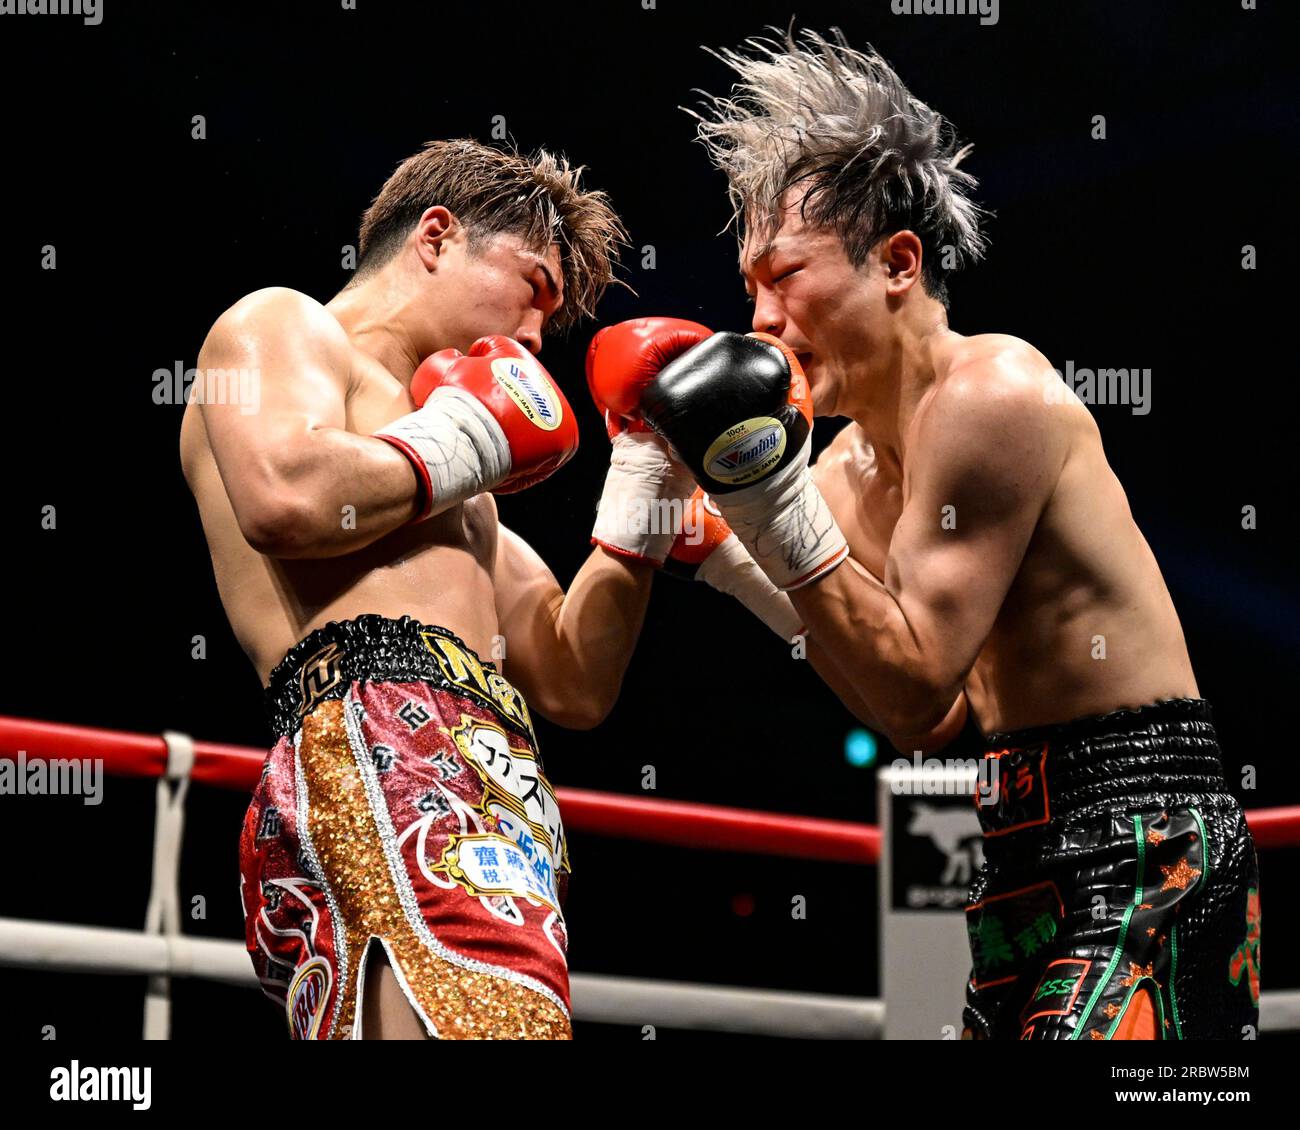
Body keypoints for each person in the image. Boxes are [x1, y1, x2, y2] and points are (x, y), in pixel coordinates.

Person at [603, 28, 1261, 1040]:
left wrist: (768, 511)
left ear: (898, 262)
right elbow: (922, 717)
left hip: (1143, 827)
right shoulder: (840, 471)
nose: (758, 318)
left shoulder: (991, 390)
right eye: (748, 287)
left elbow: (912, 676)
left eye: (784, 275)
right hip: (1004, 837)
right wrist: (733, 559)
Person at [181, 138, 697, 1039]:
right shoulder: (286, 327)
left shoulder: (460, 486)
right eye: (534, 287)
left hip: (492, 775)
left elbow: (574, 679)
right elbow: (288, 495)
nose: (538, 338)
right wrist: (469, 434)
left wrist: (645, 479)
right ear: (436, 235)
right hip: (373, 736)